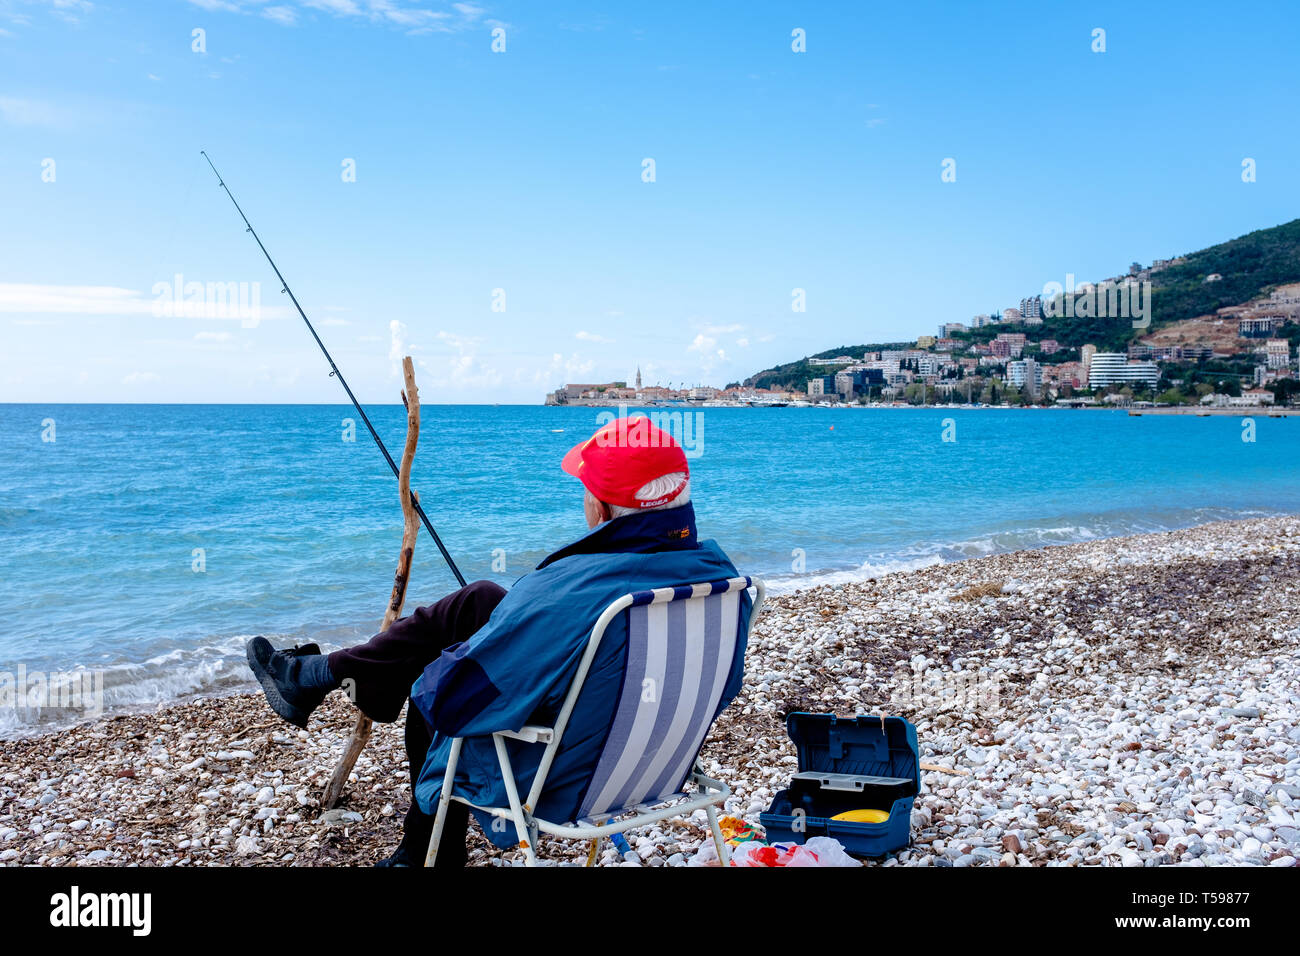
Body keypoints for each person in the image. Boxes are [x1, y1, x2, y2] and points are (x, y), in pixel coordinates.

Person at [246, 416, 750, 866]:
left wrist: (461, 660)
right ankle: (320, 676)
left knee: (432, 680)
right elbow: (721, 688)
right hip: (654, 762)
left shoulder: (570, 592)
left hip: (565, 774)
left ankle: (429, 847)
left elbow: (450, 702)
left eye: (583, 489)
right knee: (480, 600)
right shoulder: (721, 584)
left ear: (598, 506)